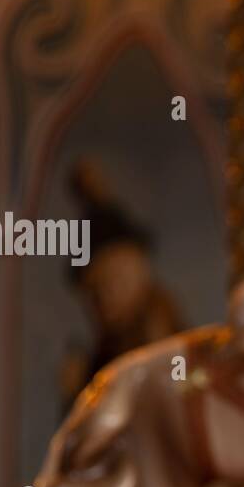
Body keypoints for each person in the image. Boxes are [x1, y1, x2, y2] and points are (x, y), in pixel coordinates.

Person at [59, 160, 185, 408]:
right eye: (94, 290)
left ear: (141, 269)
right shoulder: (99, 362)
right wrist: (75, 395)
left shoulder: (172, 339)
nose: (106, 296)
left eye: (116, 279)